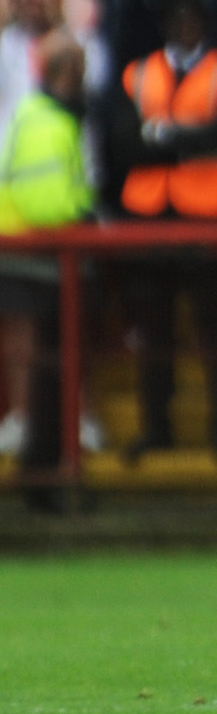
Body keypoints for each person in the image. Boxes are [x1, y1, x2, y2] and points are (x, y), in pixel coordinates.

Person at [109, 0, 217, 459]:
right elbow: (123, 146)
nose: (186, 25)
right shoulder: (138, 72)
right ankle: (155, 428)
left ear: (205, 25)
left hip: (210, 214)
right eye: (178, 18)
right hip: (150, 213)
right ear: (166, 24)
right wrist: (187, 142)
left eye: (194, 18)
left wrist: (162, 137)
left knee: (215, 328)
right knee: (154, 330)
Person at [0, 33, 93, 494]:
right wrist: (84, 217)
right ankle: (48, 452)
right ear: (67, 73)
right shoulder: (48, 121)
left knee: (48, 353)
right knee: (43, 352)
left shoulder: (44, 115)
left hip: (31, 246)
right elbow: (48, 201)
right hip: (35, 249)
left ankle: (51, 444)